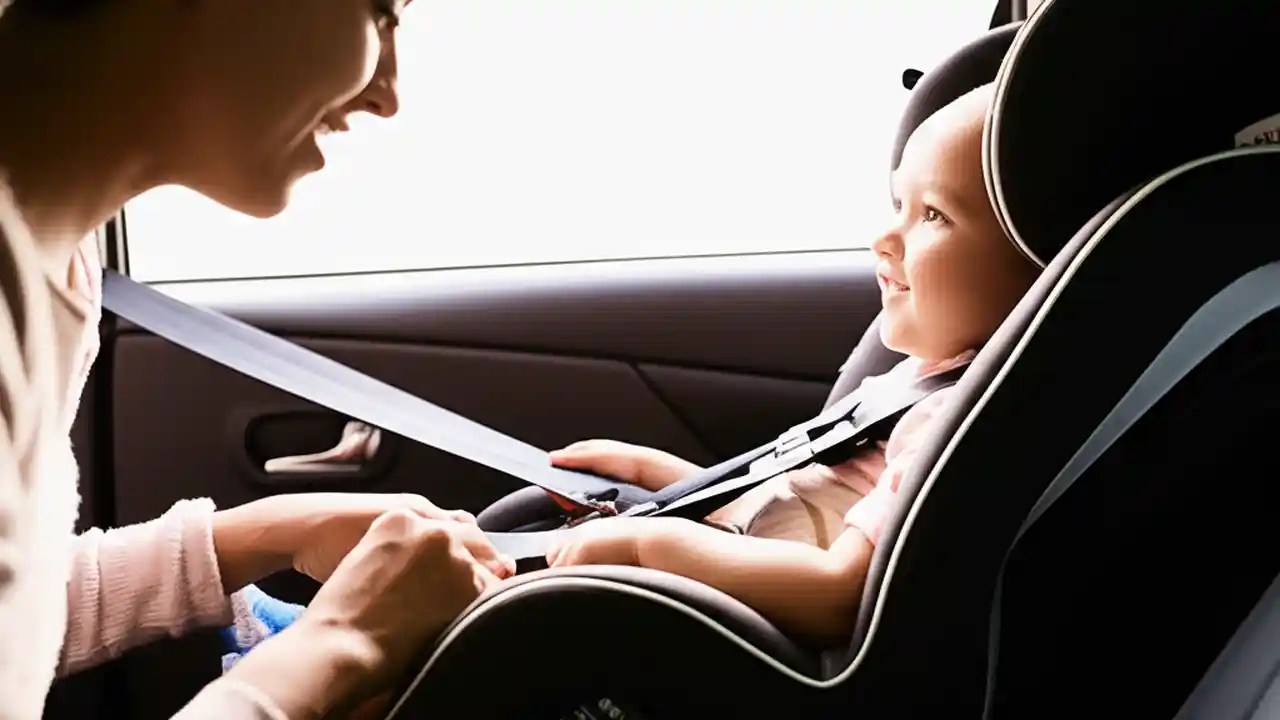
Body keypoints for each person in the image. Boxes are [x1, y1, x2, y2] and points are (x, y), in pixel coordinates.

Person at [0, 1, 514, 719]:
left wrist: (264, 535)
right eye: (381, 12)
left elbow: (11, 622)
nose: (386, 93)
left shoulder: (54, 258)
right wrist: (340, 644)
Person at [540, 83, 1042, 649]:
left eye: (933, 215)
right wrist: (667, 482)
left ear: (1038, 270)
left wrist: (644, 547)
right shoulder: (923, 378)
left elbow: (838, 592)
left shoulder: (951, 420)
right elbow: (805, 512)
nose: (884, 237)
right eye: (898, 204)